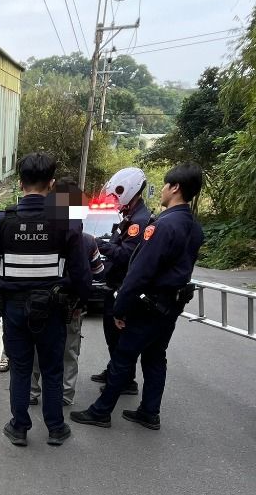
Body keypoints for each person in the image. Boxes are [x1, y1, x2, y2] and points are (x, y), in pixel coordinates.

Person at [71, 164, 205, 431]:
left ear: (175, 188)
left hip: (149, 304)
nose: (163, 190)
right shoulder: (193, 225)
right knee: (156, 357)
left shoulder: (162, 226)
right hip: (171, 304)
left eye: (166, 185)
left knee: (124, 356)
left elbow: (139, 272)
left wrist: (121, 308)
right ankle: (149, 412)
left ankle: (101, 411)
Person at [0, 154, 91, 447]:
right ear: (51, 184)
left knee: (20, 367)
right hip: (53, 309)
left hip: (13, 308)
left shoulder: (2, 220)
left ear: (20, 182)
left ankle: (19, 427)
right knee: (53, 368)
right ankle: (56, 427)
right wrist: (79, 301)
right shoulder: (66, 222)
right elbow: (82, 274)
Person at [29, 178, 94, 406]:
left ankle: (32, 392)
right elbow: (90, 274)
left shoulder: (42, 232)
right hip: (69, 306)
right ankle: (65, 395)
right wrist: (82, 301)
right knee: (69, 353)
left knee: (37, 350)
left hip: (41, 303)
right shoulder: (85, 239)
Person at [90, 167, 153, 395]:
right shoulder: (130, 216)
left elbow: (126, 254)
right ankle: (114, 371)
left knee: (118, 338)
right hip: (115, 285)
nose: (115, 200)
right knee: (113, 337)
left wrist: (98, 243)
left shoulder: (139, 221)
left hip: (123, 287)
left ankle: (124, 381)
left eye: (117, 195)